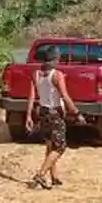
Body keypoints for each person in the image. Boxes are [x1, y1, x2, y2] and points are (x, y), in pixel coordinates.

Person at [26, 45, 84, 190]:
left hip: (43, 112)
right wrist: (77, 113)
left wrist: (28, 115)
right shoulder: (57, 75)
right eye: (58, 58)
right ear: (53, 60)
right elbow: (65, 96)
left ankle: (54, 177)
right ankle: (40, 174)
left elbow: (32, 96)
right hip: (55, 113)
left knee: (50, 145)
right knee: (60, 147)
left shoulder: (36, 74)